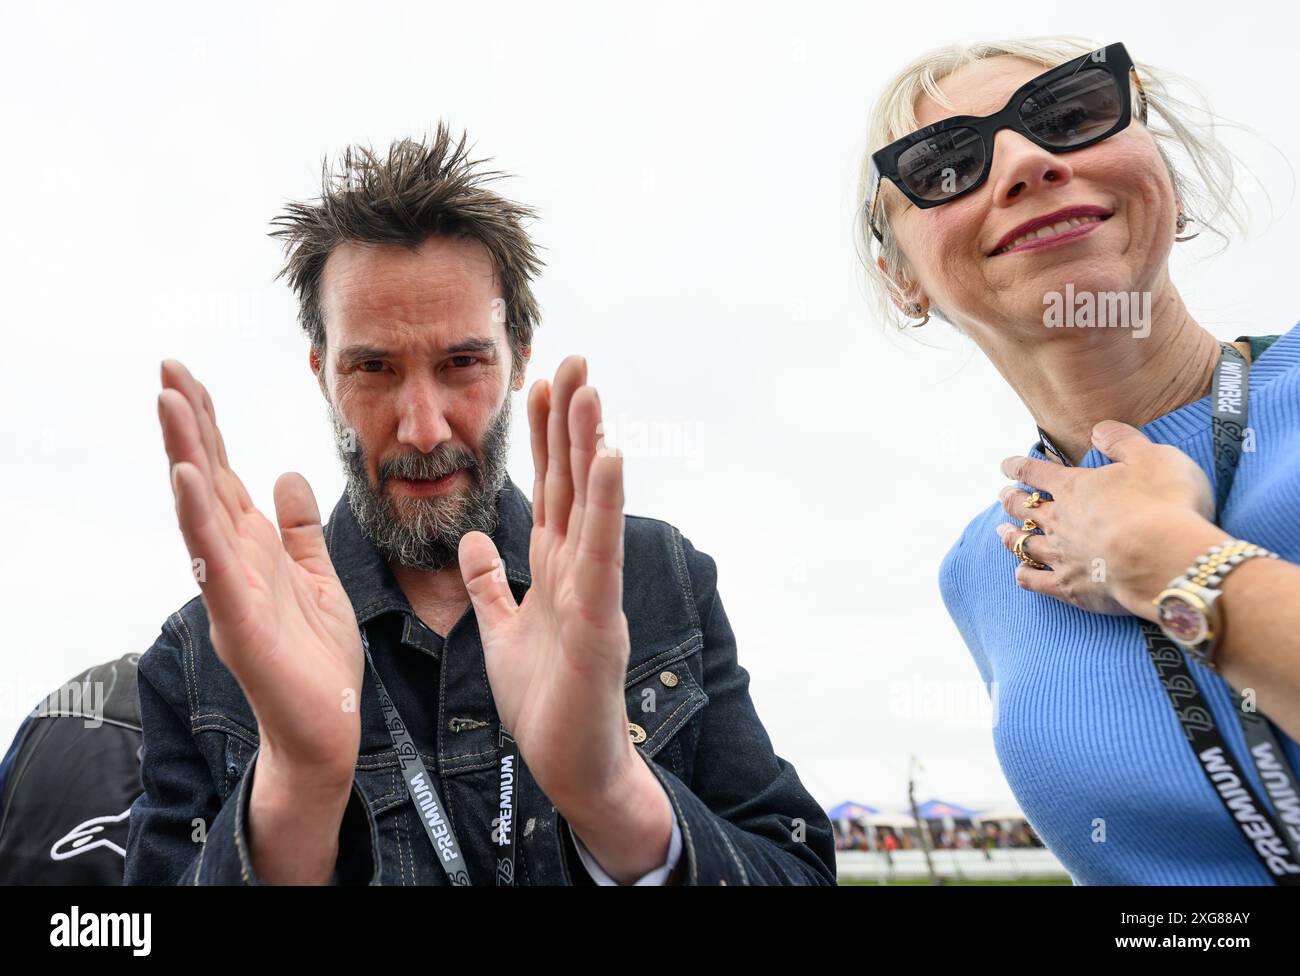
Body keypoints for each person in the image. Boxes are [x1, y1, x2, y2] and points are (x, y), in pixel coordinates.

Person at [123, 124, 835, 886]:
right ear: (322, 372)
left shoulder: (660, 580)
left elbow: (796, 865)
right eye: (373, 367)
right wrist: (295, 794)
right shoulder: (202, 656)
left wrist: (613, 796)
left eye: (462, 362)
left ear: (519, 355)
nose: (423, 428)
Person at [857, 36, 1300, 884]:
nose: (1025, 163)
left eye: (1069, 115)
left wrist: (1169, 563)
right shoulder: (983, 567)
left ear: (1157, 170)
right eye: (945, 165)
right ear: (900, 280)